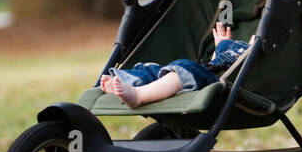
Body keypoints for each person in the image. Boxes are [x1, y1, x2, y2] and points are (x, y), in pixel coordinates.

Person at [99, 22, 250, 109]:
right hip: (208, 71)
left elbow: (225, 73)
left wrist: (246, 46)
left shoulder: (252, 49)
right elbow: (216, 64)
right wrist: (220, 46)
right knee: (152, 69)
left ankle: (138, 95)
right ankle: (124, 80)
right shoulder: (234, 51)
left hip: (215, 83)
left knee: (184, 68)